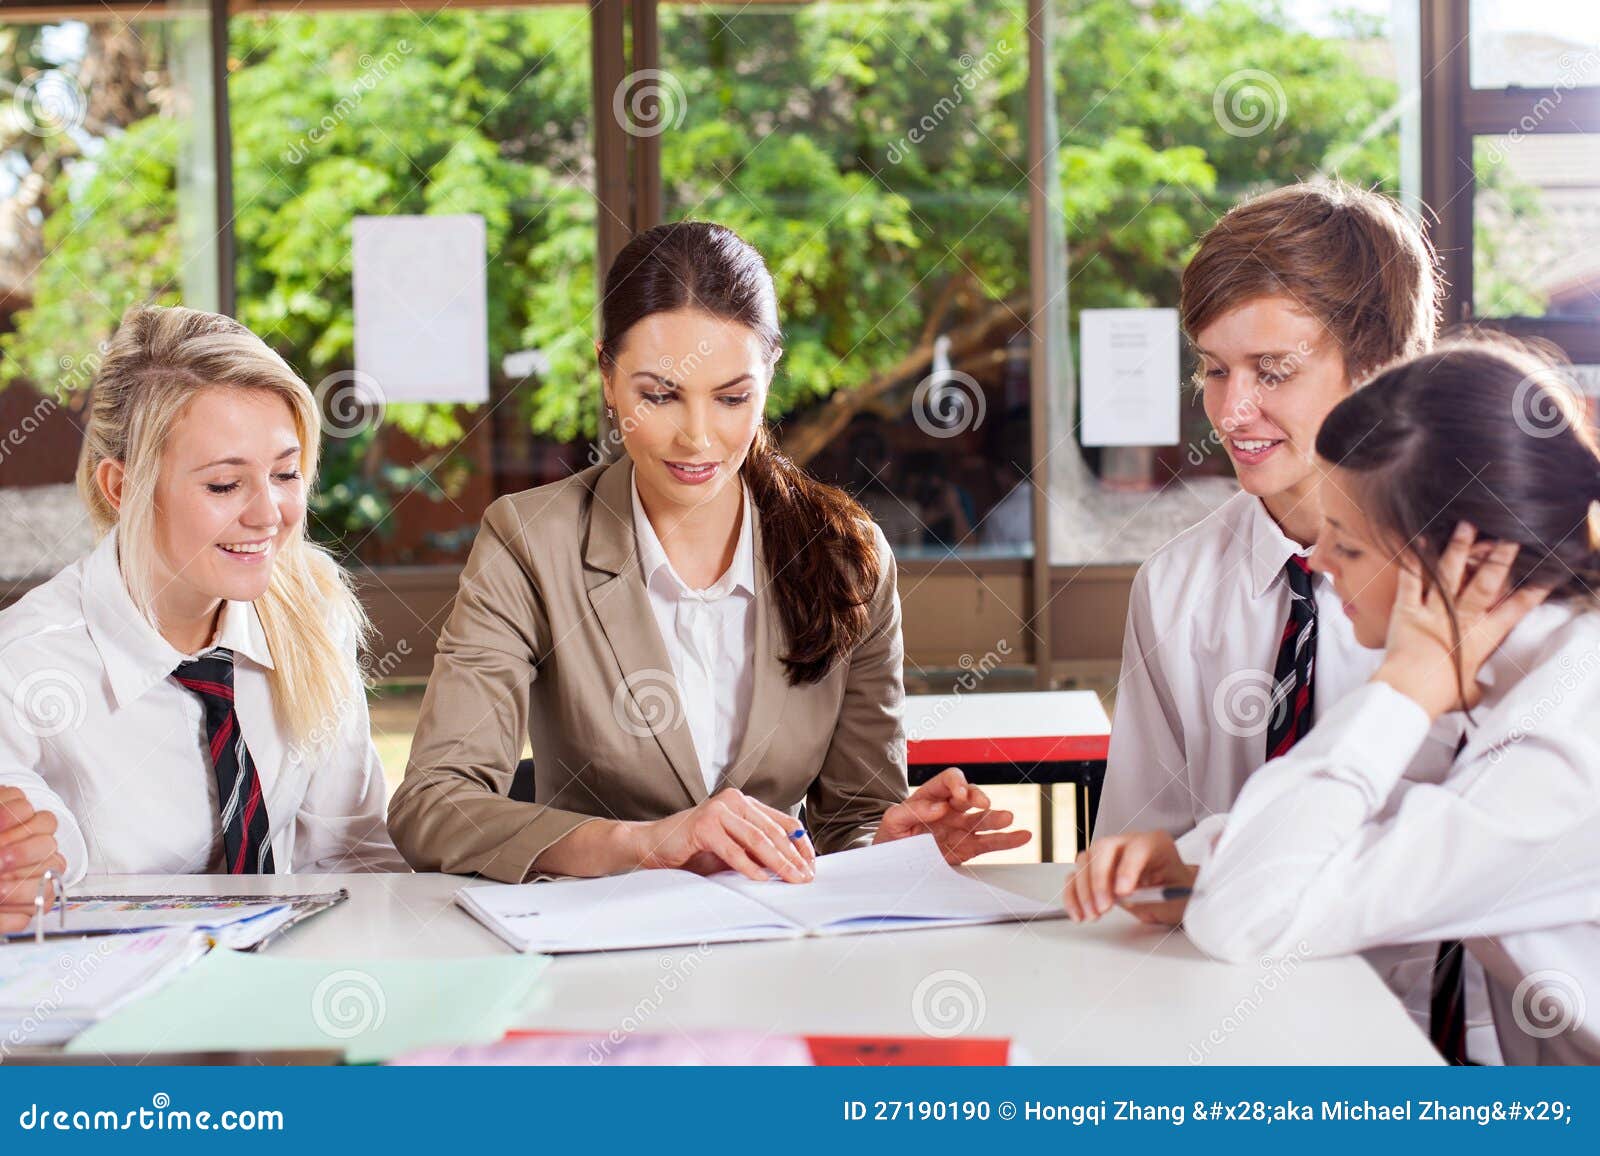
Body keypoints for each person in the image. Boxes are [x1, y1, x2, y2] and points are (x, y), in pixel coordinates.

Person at [388, 221, 1030, 882]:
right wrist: (646, 843)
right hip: (598, 952)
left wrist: (889, 849)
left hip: (780, 952)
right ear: (607, 374)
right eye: (660, 395)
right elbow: (434, 806)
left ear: (769, 375)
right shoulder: (530, 541)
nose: (697, 438)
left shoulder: (847, 556)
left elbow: (854, 819)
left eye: (732, 398)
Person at [1066, 340, 1600, 1064]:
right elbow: (1407, 819)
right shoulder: (1536, 675)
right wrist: (1201, 855)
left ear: (1461, 563)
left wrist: (1406, 683)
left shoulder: (1565, 749)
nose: (1315, 563)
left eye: (1345, 545)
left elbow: (1248, 918)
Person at [0, 304, 403, 916]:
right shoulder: (25, 667)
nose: (269, 515)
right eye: (224, 485)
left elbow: (356, 860)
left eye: (286, 472)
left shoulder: (312, 614)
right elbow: (35, 874)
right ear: (122, 487)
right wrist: (27, 873)